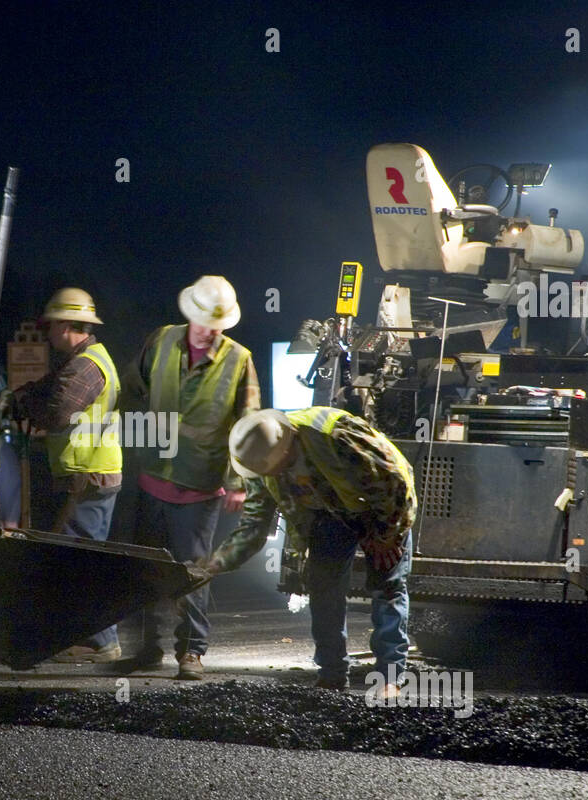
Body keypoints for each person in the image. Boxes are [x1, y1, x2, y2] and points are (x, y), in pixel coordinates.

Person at [201, 407, 417, 696]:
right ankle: (332, 674)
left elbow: (395, 482)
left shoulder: (336, 436)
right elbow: (254, 525)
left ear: (288, 446)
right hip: (327, 515)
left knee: (387, 586)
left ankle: (390, 677)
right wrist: (215, 564)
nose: (276, 474)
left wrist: (388, 535)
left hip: (381, 508)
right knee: (323, 589)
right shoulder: (258, 462)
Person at [119, 275, 260, 680]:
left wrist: (238, 482)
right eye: (202, 321)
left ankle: (192, 651)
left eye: (215, 325)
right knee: (144, 567)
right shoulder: (160, 340)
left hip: (199, 485)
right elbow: (130, 390)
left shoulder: (239, 359)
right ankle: (146, 647)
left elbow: (247, 425)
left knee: (192, 571)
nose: (207, 332)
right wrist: (136, 437)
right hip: (152, 476)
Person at [10, 288, 124, 662]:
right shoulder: (78, 361)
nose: (46, 332)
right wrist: (26, 397)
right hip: (87, 472)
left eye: (51, 324)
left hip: (88, 474)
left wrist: (25, 403)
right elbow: (44, 390)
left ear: (67, 324)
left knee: (82, 560)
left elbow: (57, 412)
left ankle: (103, 642)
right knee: (80, 557)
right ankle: (93, 637)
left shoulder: (85, 366)